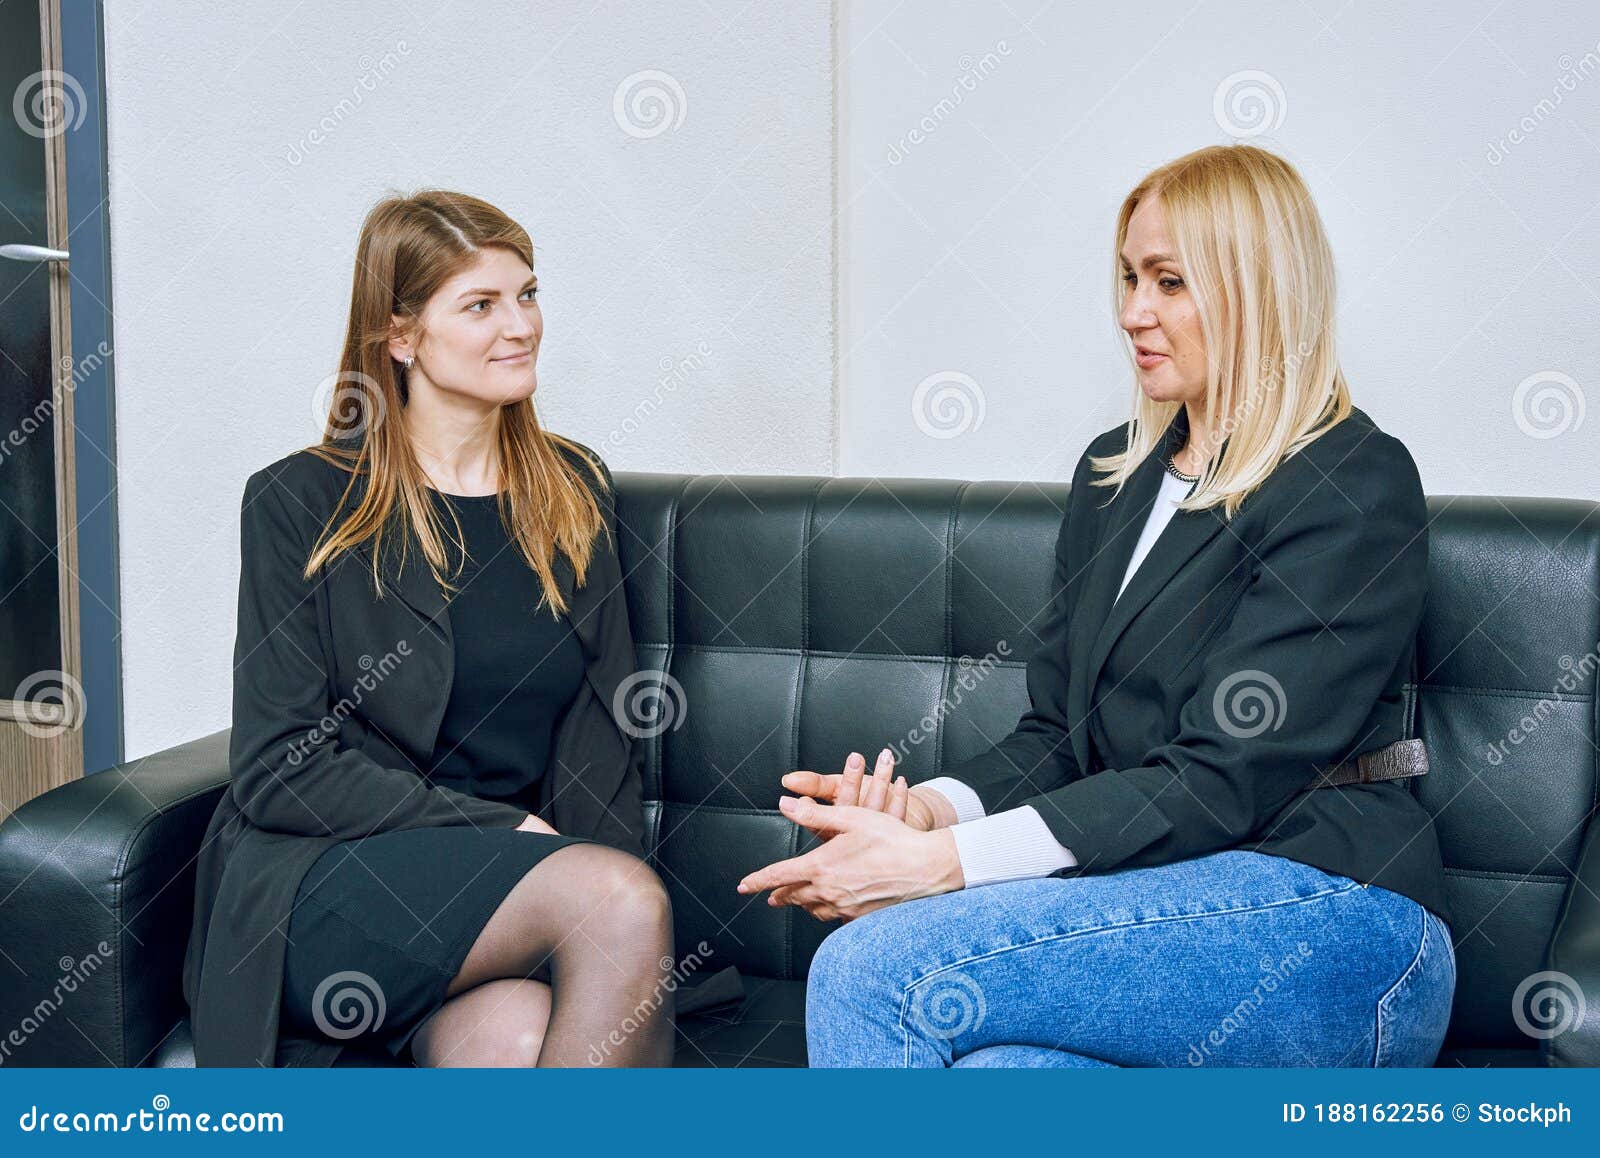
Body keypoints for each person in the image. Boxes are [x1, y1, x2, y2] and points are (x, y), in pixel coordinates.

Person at [738, 144, 1457, 1068]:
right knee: (1001, 1077)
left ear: (1258, 290)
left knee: (871, 968)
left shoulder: (1351, 480)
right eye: (1128, 277)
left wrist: (943, 868)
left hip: (1333, 909)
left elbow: (1220, 777)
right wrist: (927, 813)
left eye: (1169, 282)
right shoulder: (1115, 476)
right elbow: (1058, 739)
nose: (1132, 313)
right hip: (1160, 891)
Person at [180, 190, 674, 1068]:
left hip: (502, 896)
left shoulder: (572, 487)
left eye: (527, 294)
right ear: (401, 336)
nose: (520, 326)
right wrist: (507, 834)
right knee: (617, 901)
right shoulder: (301, 500)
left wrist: (578, 870)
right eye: (480, 305)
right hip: (326, 874)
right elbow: (279, 765)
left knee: (518, 1038)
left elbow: (603, 730)